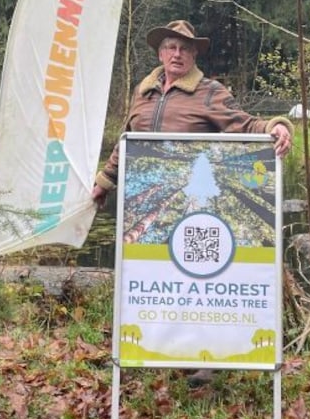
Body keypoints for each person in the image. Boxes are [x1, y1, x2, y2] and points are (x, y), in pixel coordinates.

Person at [90, 19, 294, 387]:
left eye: (185, 48)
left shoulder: (208, 91)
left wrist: (275, 127)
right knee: (151, 279)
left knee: (197, 282)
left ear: (194, 53)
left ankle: (207, 360)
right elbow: (127, 140)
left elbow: (243, 124)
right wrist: (105, 180)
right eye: (171, 46)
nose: (177, 54)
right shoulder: (145, 92)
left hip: (196, 207)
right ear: (160, 52)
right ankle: (148, 348)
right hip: (147, 208)